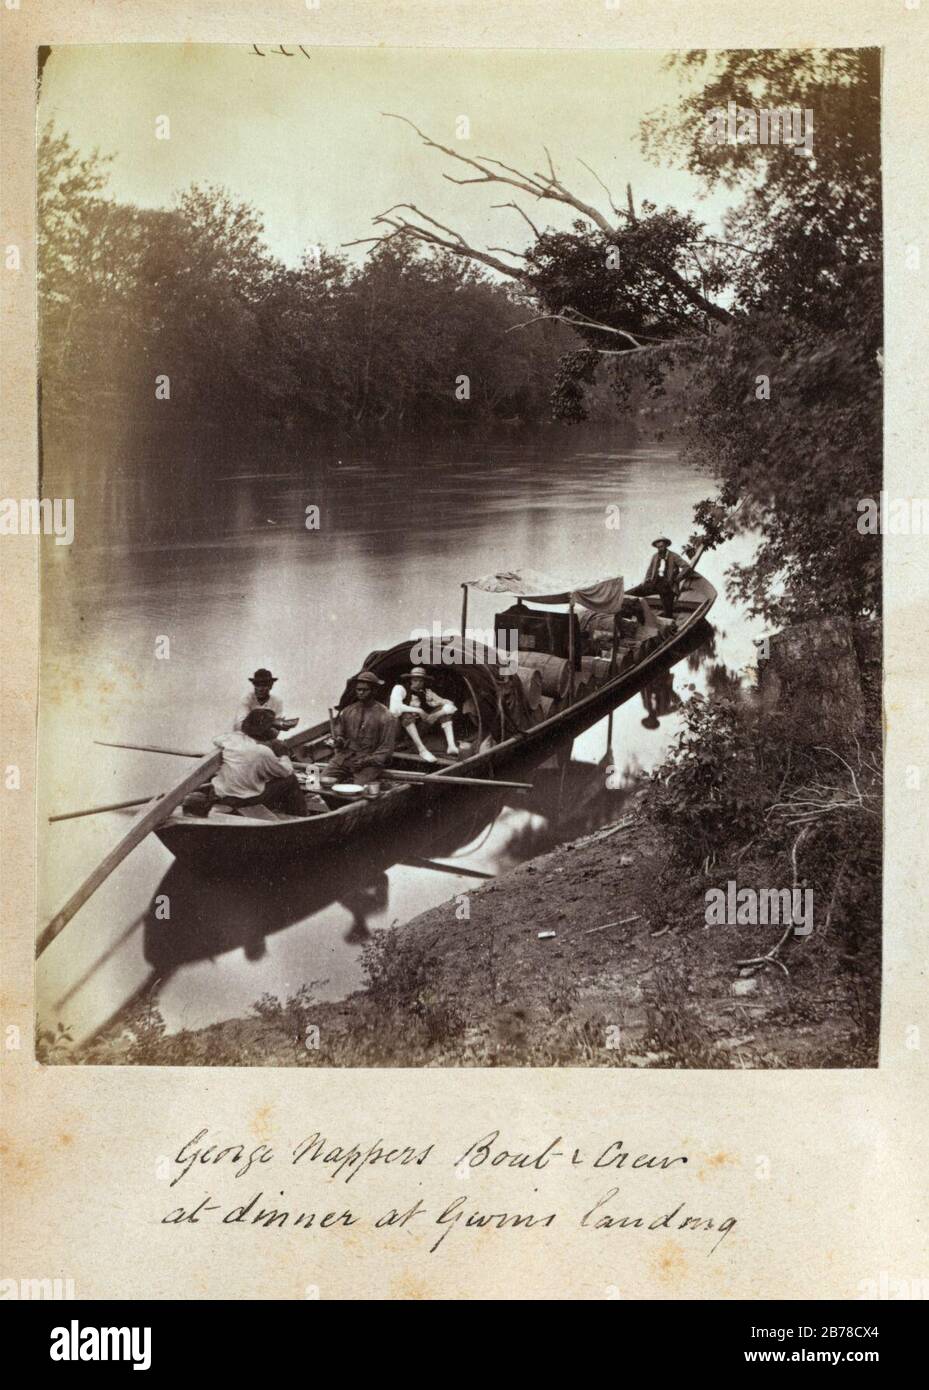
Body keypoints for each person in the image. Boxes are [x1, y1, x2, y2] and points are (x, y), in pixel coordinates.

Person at [209, 708, 307, 814]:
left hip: (222, 795)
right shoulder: (263, 752)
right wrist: (283, 754)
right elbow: (287, 771)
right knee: (290, 780)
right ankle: (301, 815)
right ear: (267, 731)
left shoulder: (230, 739)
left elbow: (216, 740)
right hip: (243, 800)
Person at [323, 671, 397, 791]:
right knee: (323, 781)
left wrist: (364, 761)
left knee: (357, 790)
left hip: (370, 762)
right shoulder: (348, 711)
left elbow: (386, 750)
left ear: (374, 691)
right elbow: (341, 735)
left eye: (365, 690)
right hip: (345, 758)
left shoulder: (386, 716)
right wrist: (338, 741)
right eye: (358, 690)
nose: (360, 692)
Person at [388, 666, 459, 762]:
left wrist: (436, 714)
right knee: (407, 714)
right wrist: (419, 711)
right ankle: (422, 750)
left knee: (443, 711)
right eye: (415, 680)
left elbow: (452, 706)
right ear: (410, 680)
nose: (418, 683)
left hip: (418, 729)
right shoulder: (400, 689)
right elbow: (394, 709)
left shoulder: (427, 692)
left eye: (421, 681)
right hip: (398, 730)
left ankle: (451, 746)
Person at [626, 537, 688, 619]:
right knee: (630, 593)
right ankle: (629, 614)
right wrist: (646, 580)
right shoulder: (655, 556)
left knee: (668, 612)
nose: (660, 549)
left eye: (661, 546)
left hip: (668, 587)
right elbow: (650, 569)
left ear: (666, 546)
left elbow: (686, 567)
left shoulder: (674, 556)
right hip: (654, 583)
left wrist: (676, 579)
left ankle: (668, 625)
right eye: (658, 547)